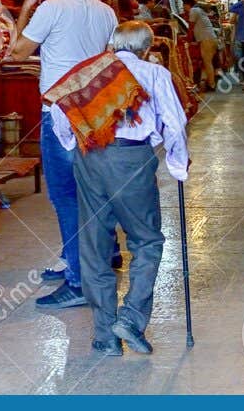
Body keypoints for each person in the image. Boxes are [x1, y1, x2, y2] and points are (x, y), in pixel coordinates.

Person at [63, 21, 191, 356]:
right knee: (146, 240)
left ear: (113, 45)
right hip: (132, 159)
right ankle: (132, 318)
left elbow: (60, 113)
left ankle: (105, 335)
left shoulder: (90, 73)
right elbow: (175, 123)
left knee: (94, 244)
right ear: (147, 49)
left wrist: (72, 144)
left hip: (89, 158)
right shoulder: (154, 73)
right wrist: (178, 164)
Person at [6, 0, 118, 309]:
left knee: (66, 196)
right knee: (94, 191)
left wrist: (26, 8)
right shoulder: (105, 11)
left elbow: (16, 53)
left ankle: (79, 280)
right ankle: (99, 256)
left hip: (61, 115)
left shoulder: (50, 9)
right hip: (96, 112)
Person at [184, 0, 219, 90]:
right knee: (207, 63)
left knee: (207, 63)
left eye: (184, 5)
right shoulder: (199, 10)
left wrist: (188, 39)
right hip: (210, 38)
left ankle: (211, 84)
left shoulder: (193, 11)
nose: (184, 8)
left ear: (187, 5)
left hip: (206, 39)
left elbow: (191, 27)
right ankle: (208, 82)